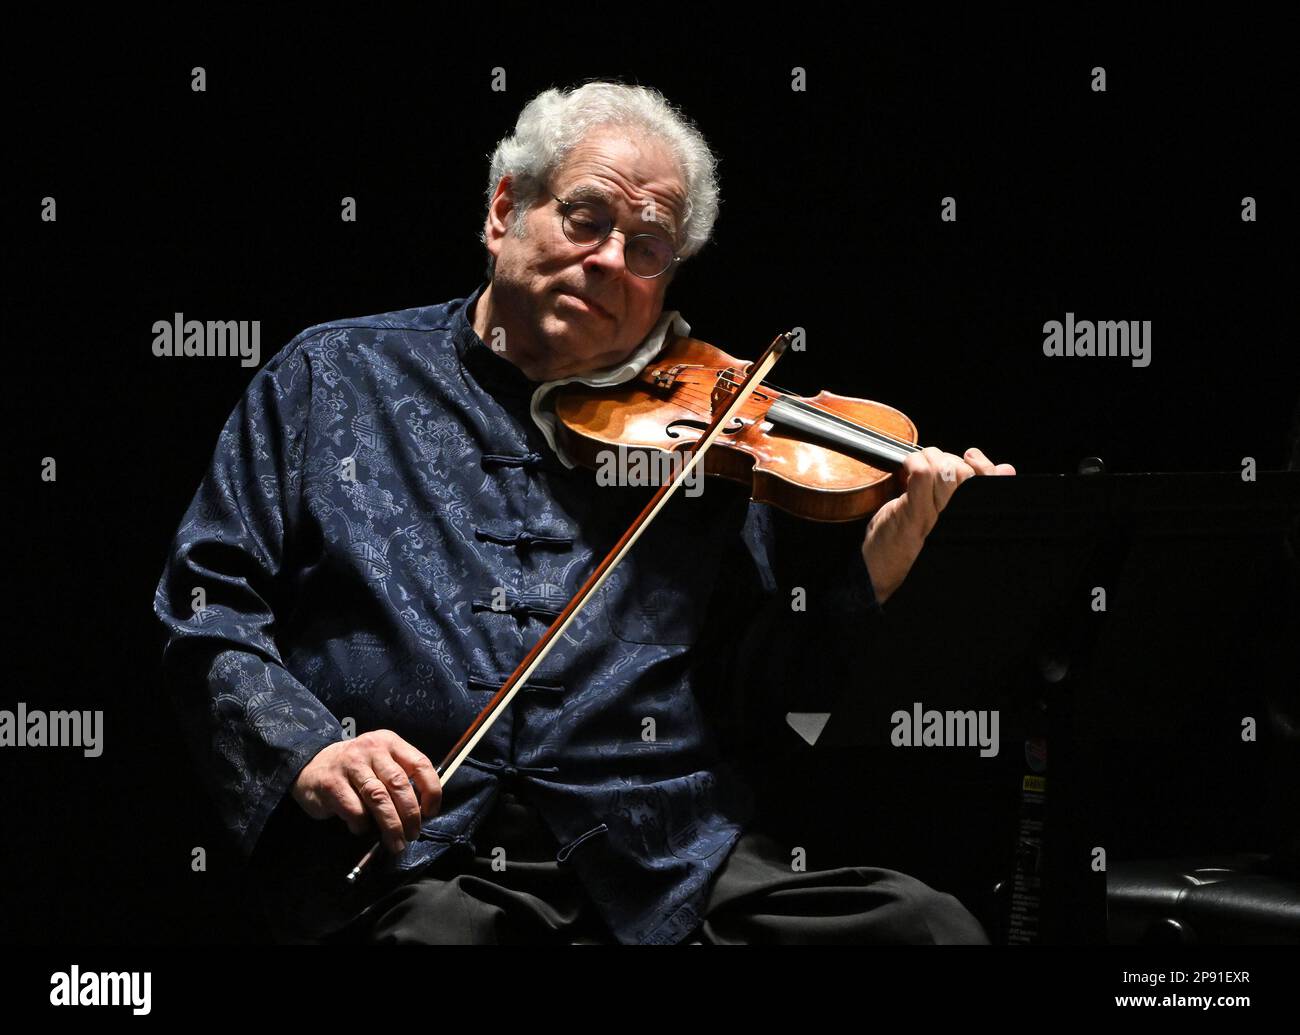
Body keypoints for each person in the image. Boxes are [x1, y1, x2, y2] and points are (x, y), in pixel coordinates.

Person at [152, 81, 1015, 945]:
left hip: (664, 863)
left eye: (648, 247)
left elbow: (764, 699)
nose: (609, 260)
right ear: (503, 211)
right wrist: (308, 748)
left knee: (927, 928)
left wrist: (875, 569)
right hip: (418, 856)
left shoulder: (709, 436)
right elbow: (209, 607)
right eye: (585, 217)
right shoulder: (332, 376)